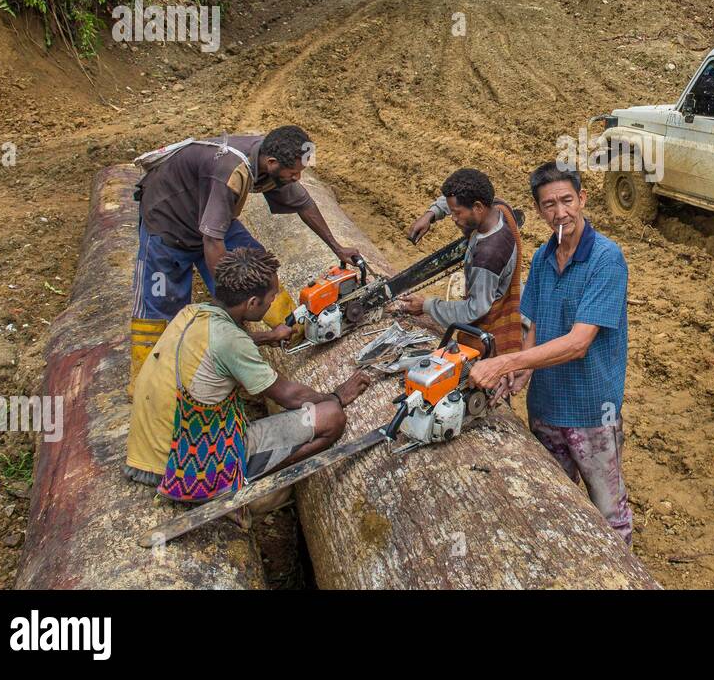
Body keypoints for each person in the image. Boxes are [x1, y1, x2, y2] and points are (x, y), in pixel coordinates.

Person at [467, 162, 633, 546]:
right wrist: (521, 371)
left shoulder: (606, 259)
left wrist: (508, 361)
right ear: (539, 211)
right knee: (554, 502)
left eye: (567, 201)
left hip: (592, 412)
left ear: (582, 199)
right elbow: (534, 323)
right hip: (545, 410)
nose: (561, 213)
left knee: (609, 513)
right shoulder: (543, 256)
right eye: (549, 205)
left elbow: (579, 343)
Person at [128, 125, 361, 393]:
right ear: (272, 163)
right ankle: (146, 383)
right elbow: (212, 241)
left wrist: (338, 247)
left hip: (211, 217)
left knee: (261, 268)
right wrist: (232, 299)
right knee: (161, 305)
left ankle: (293, 329)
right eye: (294, 173)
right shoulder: (230, 170)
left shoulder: (272, 160)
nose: (297, 178)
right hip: (167, 222)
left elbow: (303, 203)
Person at [125, 247, 371, 497]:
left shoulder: (192, 314)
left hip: (146, 455)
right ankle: (240, 483)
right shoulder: (231, 342)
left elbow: (223, 345)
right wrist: (337, 396)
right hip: (184, 467)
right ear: (252, 302)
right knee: (331, 417)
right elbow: (290, 397)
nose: (274, 300)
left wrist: (267, 337)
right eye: (271, 297)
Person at [399, 168, 524, 354]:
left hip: (491, 326)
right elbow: (456, 198)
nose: (453, 218)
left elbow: (474, 310)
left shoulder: (488, 256)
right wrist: (431, 214)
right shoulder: (498, 208)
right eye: (451, 212)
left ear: (478, 207)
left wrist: (427, 305)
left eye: (457, 213)